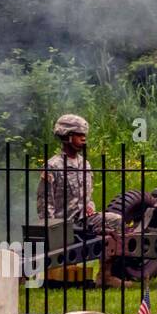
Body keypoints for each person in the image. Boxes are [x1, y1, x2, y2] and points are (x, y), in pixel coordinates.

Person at [36, 114, 124, 286]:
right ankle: (55, 275)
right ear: (67, 137)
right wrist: (50, 226)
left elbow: (87, 195)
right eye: (78, 134)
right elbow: (45, 202)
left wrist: (90, 206)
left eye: (84, 134)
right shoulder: (53, 166)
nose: (83, 138)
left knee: (115, 221)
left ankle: (105, 275)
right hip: (63, 223)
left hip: (84, 219)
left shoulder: (85, 164)